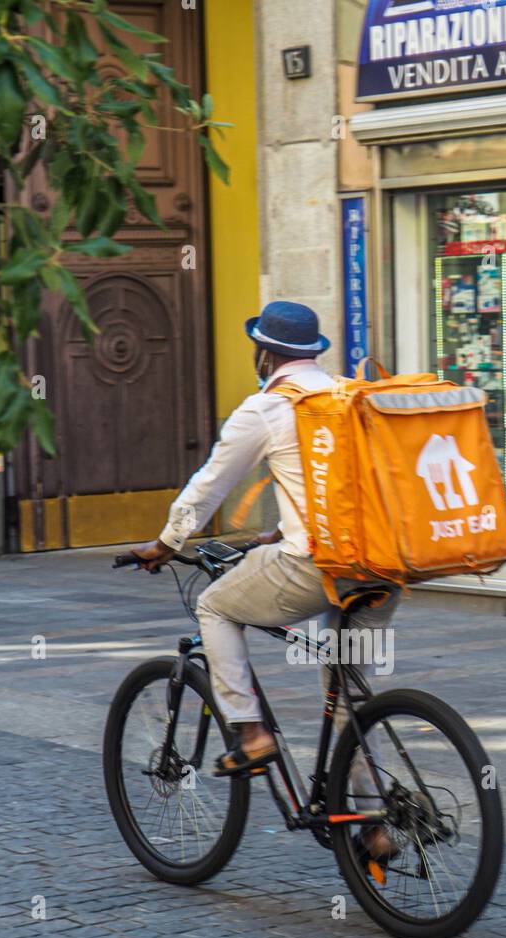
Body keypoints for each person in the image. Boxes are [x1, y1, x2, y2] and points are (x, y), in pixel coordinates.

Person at [130, 301, 399, 823]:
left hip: (314, 567)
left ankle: (251, 734)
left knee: (215, 608)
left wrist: (166, 543)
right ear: (313, 352)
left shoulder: (265, 409)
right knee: (349, 693)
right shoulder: (346, 394)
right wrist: (278, 527)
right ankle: (375, 827)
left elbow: (209, 485)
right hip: (380, 569)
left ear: (264, 352)